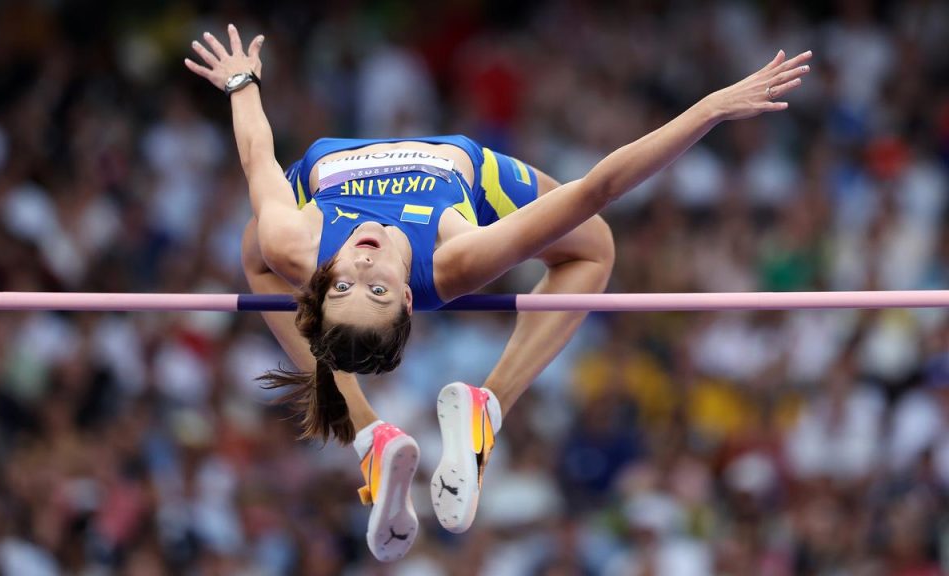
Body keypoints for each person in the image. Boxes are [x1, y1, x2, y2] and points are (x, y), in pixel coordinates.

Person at [185, 24, 811, 562]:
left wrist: (243, 84)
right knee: (594, 249)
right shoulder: (456, 260)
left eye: (344, 282)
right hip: (466, 173)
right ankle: (486, 405)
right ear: (407, 299)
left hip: (318, 188)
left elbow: (256, 155)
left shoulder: (298, 243)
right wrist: (709, 110)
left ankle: (369, 435)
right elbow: (597, 189)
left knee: (257, 255)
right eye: (374, 287)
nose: (364, 259)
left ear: (323, 282)